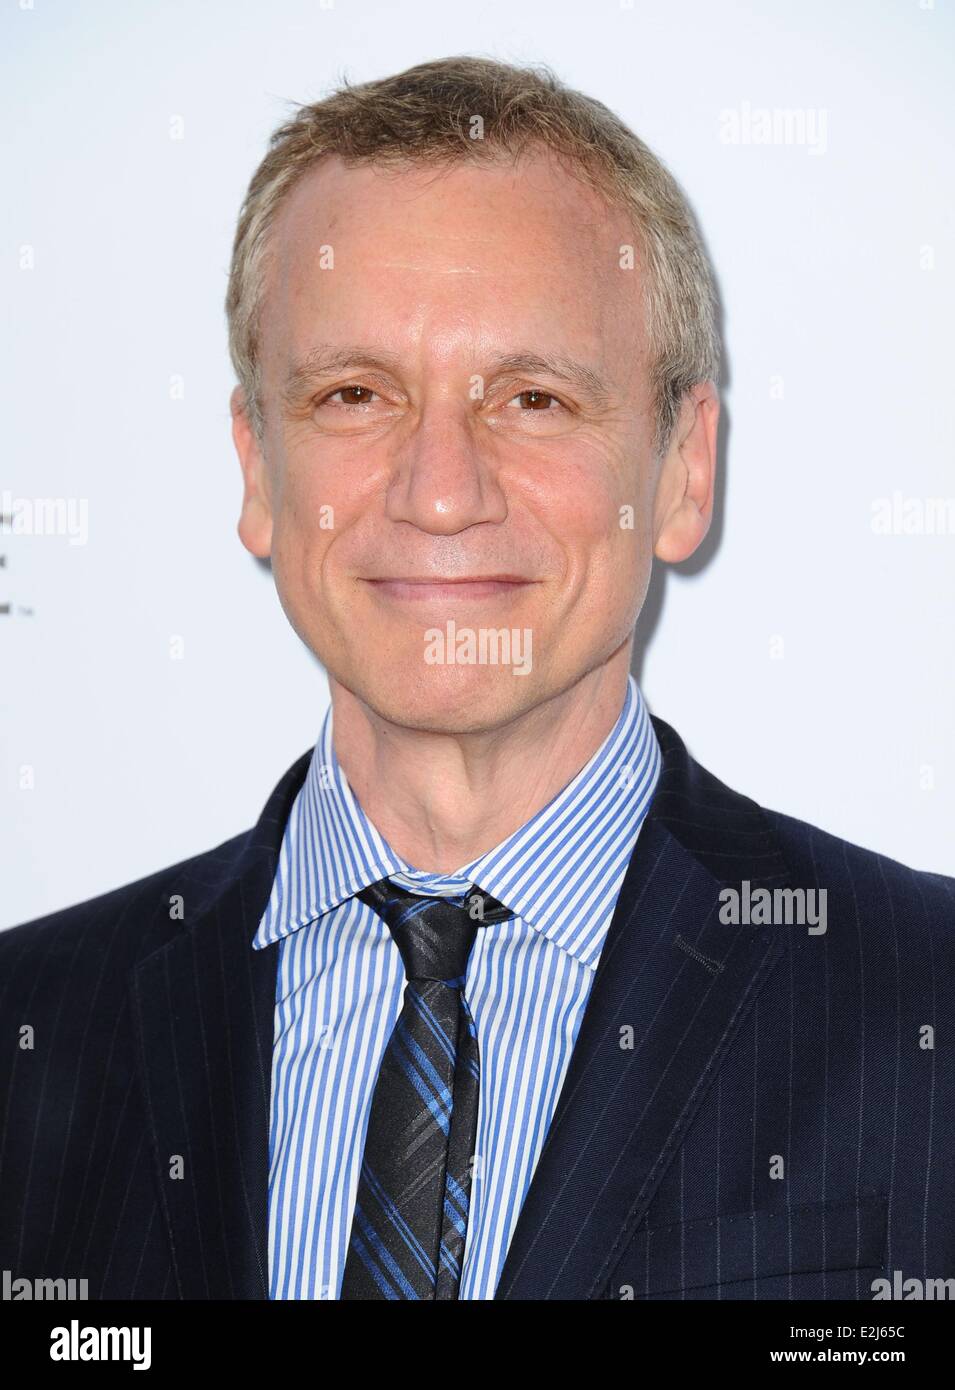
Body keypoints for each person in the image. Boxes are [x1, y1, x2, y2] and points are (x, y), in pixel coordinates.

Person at [2, 56, 953, 1303]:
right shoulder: (29, 1029)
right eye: (355, 393)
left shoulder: (925, 1000)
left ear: (681, 469)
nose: (441, 493)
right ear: (256, 466)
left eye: (533, 398)